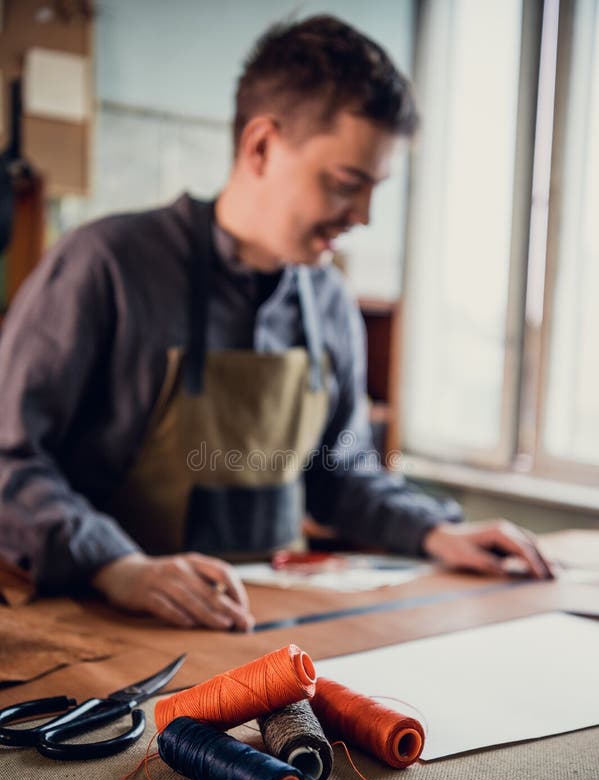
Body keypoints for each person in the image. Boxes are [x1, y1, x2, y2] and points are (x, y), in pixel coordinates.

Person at [0, 16, 552, 632]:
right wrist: (117, 565)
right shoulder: (104, 266)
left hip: (267, 630)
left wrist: (437, 531)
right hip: (105, 623)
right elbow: (11, 460)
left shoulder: (330, 300)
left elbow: (339, 475)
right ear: (260, 146)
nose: (364, 216)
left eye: (377, 189)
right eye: (348, 183)